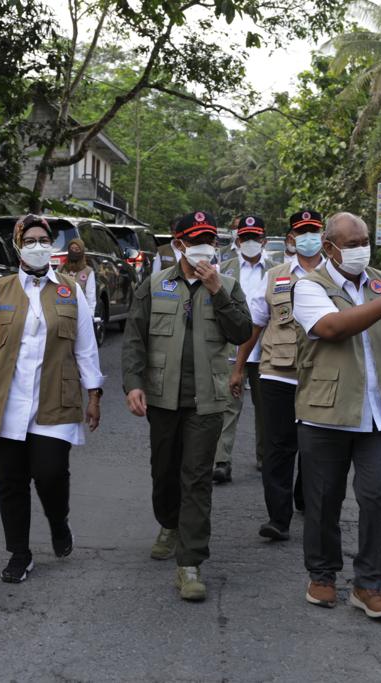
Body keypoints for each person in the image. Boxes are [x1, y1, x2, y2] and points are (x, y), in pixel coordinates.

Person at [0, 214, 103, 584]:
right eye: (30, 240)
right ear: (18, 246)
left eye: (43, 239)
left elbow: (86, 349)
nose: (38, 245)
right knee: (11, 483)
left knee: (50, 474)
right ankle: (20, 552)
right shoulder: (2, 290)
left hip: (56, 399)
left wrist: (94, 394)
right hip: (6, 401)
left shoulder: (69, 289)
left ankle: (58, 521)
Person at [291, 211, 381, 619]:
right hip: (326, 413)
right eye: (352, 244)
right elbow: (332, 327)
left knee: (378, 496)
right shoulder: (308, 286)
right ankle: (322, 574)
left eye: (364, 240)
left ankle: (369, 585)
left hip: (380, 414)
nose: (360, 249)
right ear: (330, 247)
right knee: (323, 499)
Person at [121, 210, 252, 602]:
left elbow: (243, 331)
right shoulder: (155, 284)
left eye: (209, 239)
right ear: (178, 243)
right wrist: (133, 384)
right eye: (195, 239)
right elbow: (134, 339)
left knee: (196, 478)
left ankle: (190, 564)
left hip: (207, 401)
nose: (203, 247)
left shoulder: (227, 285)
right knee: (164, 472)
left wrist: (218, 293)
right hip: (163, 397)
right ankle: (169, 522)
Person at [233, 209, 325, 541]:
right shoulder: (276, 276)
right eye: (302, 232)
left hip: (321, 373)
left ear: (323, 236)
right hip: (277, 371)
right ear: (291, 239)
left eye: (314, 230)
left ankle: (303, 496)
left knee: (313, 445)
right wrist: (239, 365)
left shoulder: (336, 276)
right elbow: (256, 324)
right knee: (278, 446)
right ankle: (278, 518)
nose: (308, 237)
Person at [212, 214, 271, 483]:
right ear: (238, 240)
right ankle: (221, 460)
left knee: (266, 409)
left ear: (264, 240)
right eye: (245, 238)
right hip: (231, 349)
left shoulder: (277, 271)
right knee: (228, 405)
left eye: (255, 238)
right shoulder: (222, 269)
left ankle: (265, 457)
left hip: (266, 351)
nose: (250, 242)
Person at [59, 238, 97, 315]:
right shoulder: (61, 268)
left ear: (82, 251)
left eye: (77, 249)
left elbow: (90, 295)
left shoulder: (88, 271)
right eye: (72, 249)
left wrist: (90, 314)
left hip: (80, 311)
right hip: (62, 310)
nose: (74, 251)